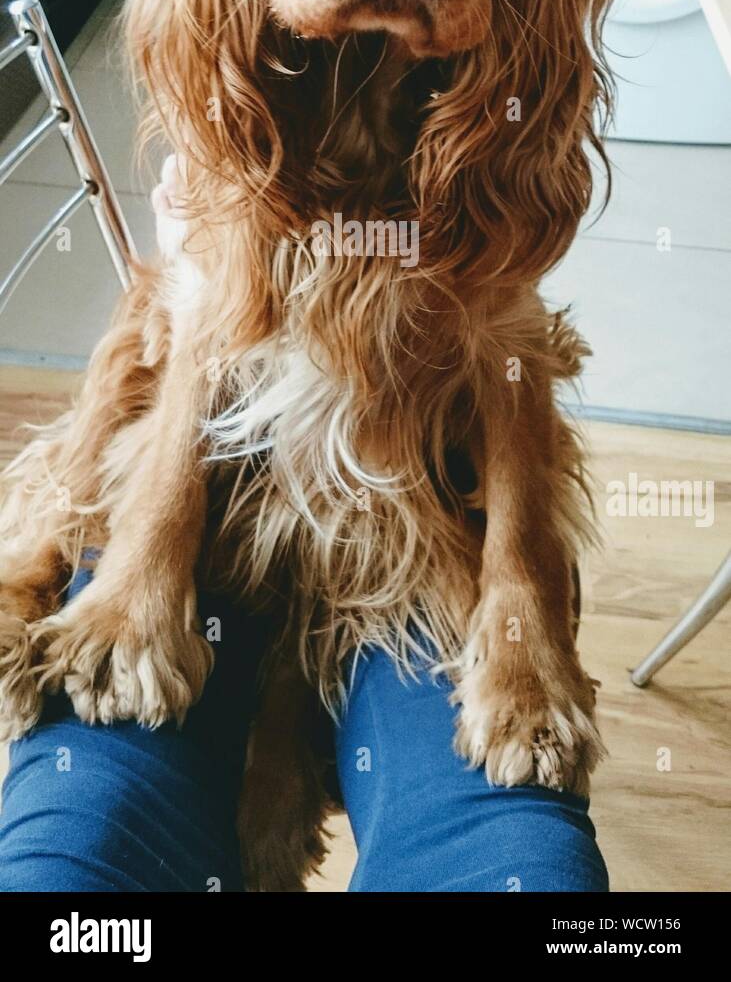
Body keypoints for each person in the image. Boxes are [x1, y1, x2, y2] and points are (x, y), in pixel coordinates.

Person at [0, 165, 608, 894]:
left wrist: (522, 595)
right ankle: (282, 631)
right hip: (235, 476)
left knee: (85, 829)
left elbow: (514, 342)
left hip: (414, 488)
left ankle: (310, 644)